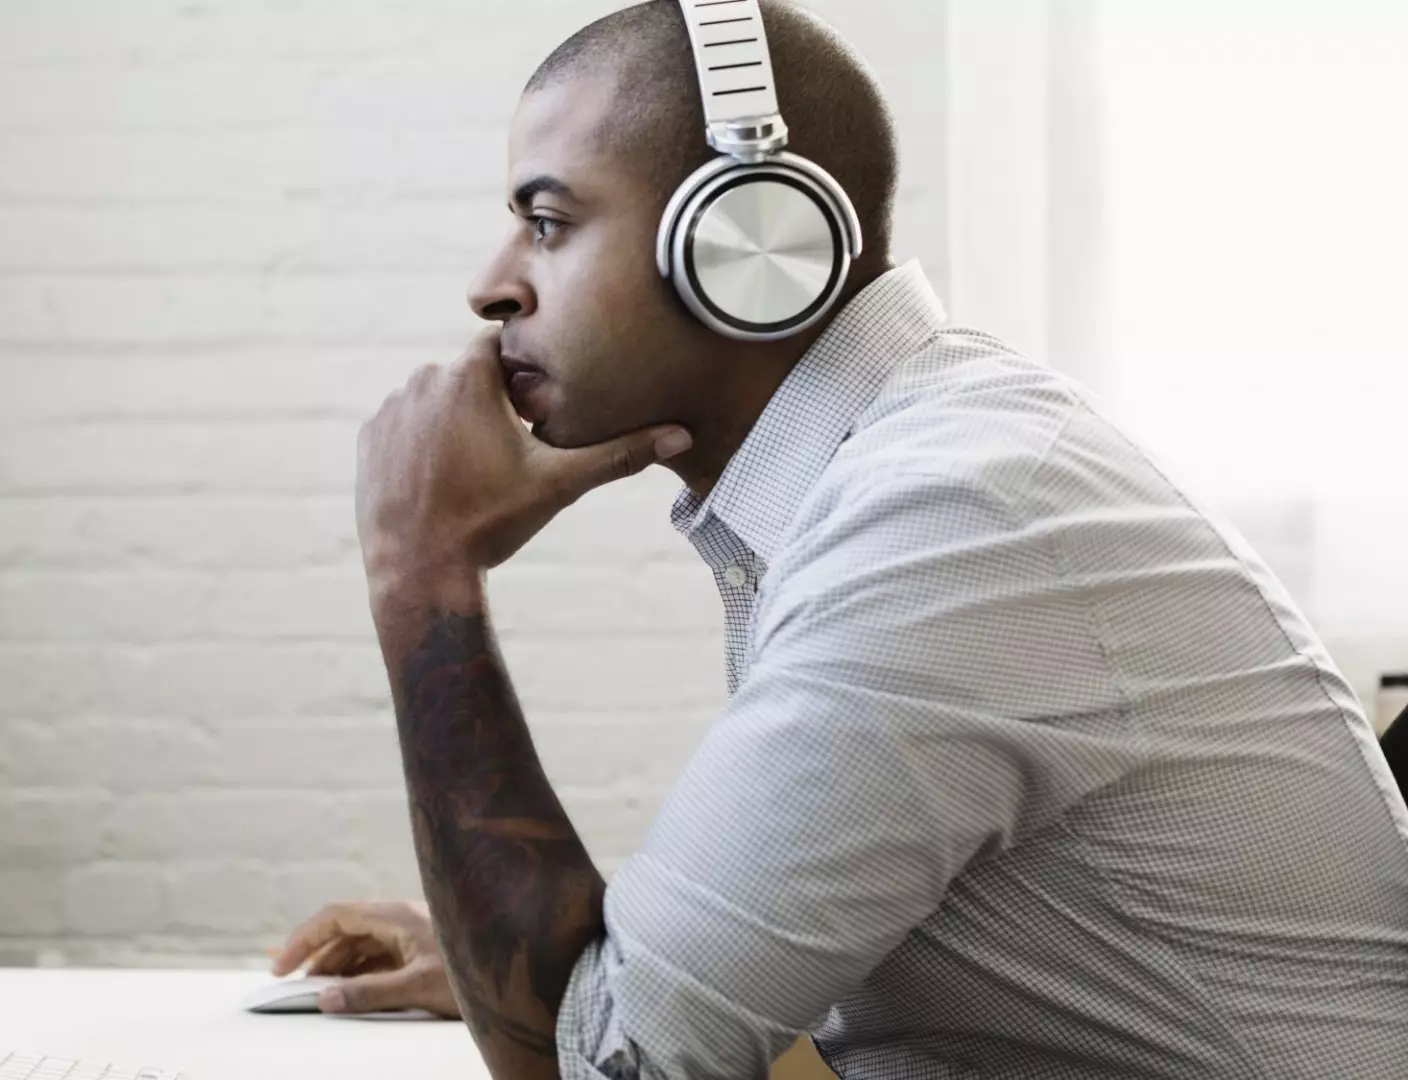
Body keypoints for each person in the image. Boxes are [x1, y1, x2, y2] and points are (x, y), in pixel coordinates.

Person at [274, 2, 1408, 1078]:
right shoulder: (900, 469)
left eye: (549, 222)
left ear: (745, 240)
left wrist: (421, 572)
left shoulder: (954, 515)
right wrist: (523, 968)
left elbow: (615, 1066)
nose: (492, 285)